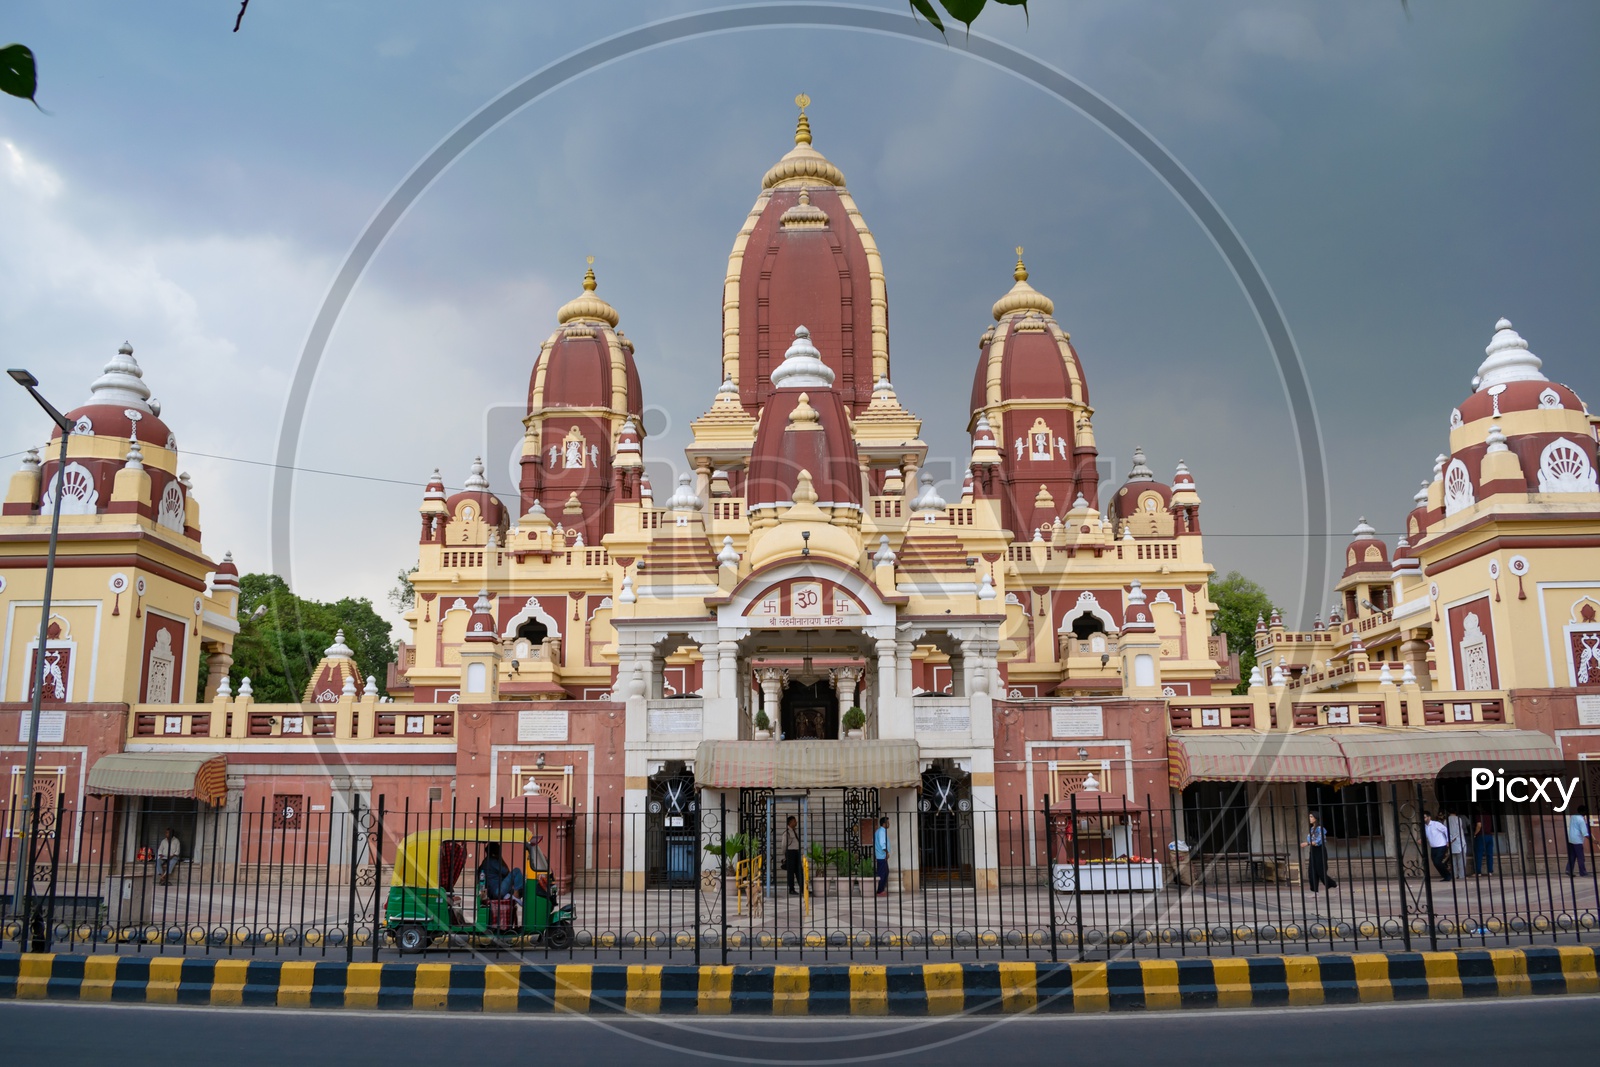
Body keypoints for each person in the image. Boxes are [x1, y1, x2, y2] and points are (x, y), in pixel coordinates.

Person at [1300, 811, 1337, 895]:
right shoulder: (1311, 829)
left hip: (1320, 850)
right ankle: (1315, 891)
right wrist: (1308, 843)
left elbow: (1319, 841)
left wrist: (1307, 843)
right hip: (1313, 850)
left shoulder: (1320, 829)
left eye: (1311, 817)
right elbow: (1310, 839)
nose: (1310, 818)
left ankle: (1333, 884)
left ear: (1316, 818)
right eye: (1309, 817)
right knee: (1312, 870)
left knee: (1320, 871)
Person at [1423, 812, 1452, 881]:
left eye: (1424, 817)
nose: (1423, 819)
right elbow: (1428, 835)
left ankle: (1448, 875)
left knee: (1437, 861)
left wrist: (1448, 840)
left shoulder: (1436, 824)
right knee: (1435, 862)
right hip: (1433, 847)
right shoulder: (1425, 826)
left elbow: (1446, 830)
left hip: (1441, 845)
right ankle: (1445, 876)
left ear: (1429, 817)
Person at [1568, 806, 1592, 878]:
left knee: (1572, 856)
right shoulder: (1581, 820)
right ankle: (1583, 872)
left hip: (1571, 839)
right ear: (1583, 812)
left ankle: (1568, 869)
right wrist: (1593, 841)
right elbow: (1585, 833)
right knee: (1580, 857)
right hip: (1577, 840)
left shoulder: (1573, 817)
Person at [782, 815, 802, 896]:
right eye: (794, 821)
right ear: (790, 822)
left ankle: (803, 888)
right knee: (790, 872)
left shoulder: (794, 831)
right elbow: (784, 845)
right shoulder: (786, 833)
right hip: (790, 853)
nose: (796, 822)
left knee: (799, 871)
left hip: (796, 852)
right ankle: (791, 889)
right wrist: (785, 855)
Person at [1473, 807, 1495, 876]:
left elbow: (1479, 825)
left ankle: (1478, 872)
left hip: (1481, 836)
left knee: (1479, 854)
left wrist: (1475, 834)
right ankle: (1490, 871)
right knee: (1489, 854)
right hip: (1489, 836)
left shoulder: (1478, 815)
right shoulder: (1488, 815)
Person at [1447, 808, 1468, 881]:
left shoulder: (1446, 820)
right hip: (1459, 842)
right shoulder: (1458, 819)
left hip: (1451, 843)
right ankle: (1461, 875)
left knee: (1453, 861)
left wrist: (1449, 840)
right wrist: (1452, 839)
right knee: (1461, 861)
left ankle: (1454, 875)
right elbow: (1458, 831)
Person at [873, 816, 890, 897]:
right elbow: (882, 843)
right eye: (888, 822)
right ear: (884, 823)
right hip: (881, 855)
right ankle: (880, 890)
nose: (889, 824)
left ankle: (881, 889)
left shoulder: (879, 831)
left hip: (880, 855)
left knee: (885, 872)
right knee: (883, 873)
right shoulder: (881, 832)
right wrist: (887, 852)